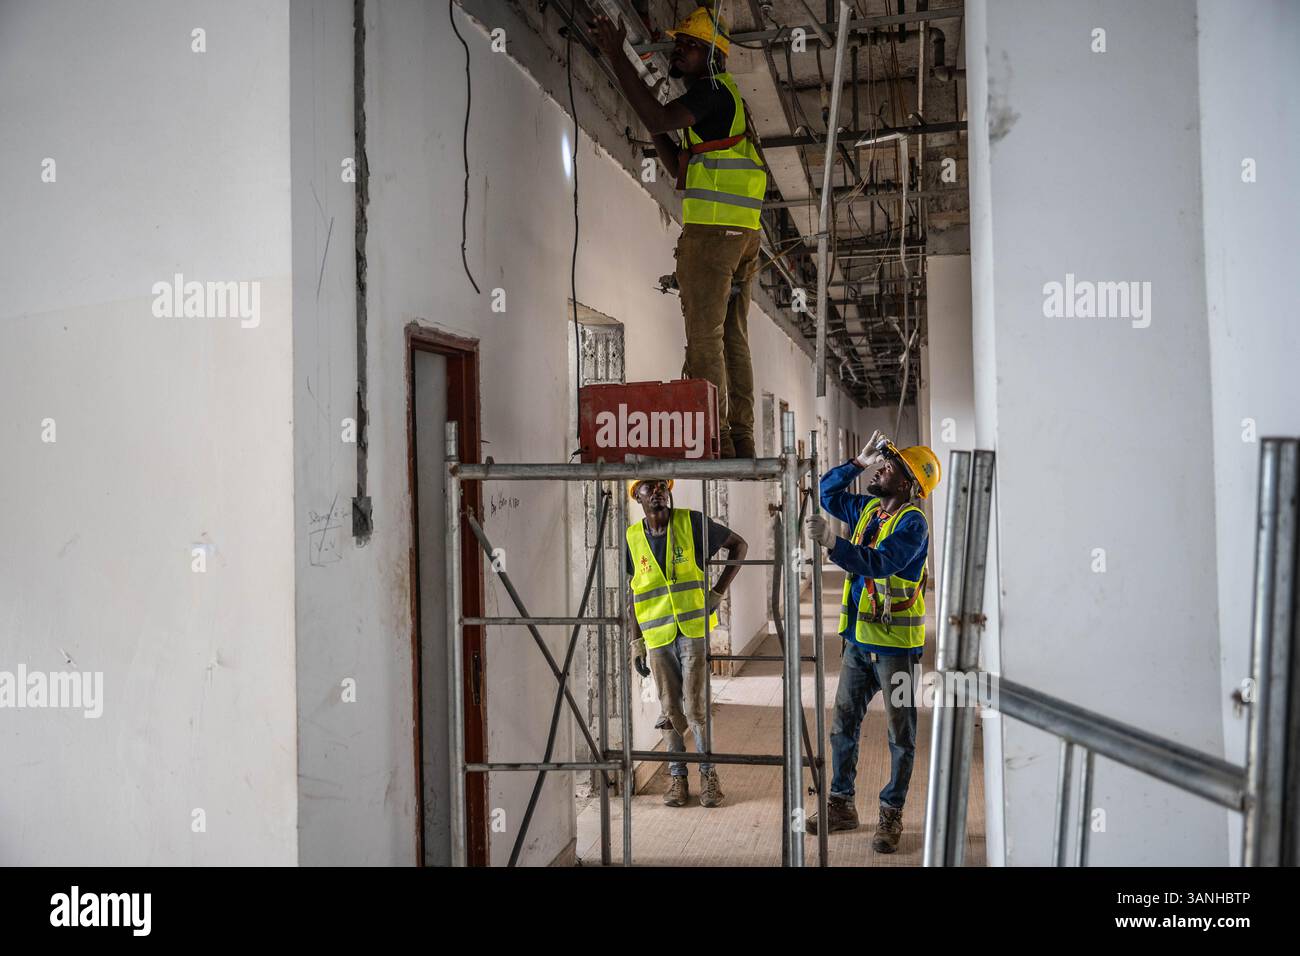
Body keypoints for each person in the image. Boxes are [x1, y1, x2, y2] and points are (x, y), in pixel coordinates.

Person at [589, 7, 767, 458]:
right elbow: (676, 168)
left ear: (713, 56)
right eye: (679, 43)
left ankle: (718, 439)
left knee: (706, 336)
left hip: (713, 233)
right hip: (741, 234)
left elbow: (657, 116)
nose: (678, 50)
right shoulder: (721, 104)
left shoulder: (710, 91)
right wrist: (655, 126)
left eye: (690, 44)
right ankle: (740, 437)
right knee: (731, 336)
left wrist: (615, 54)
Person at [803, 432, 941, 853]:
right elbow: (827, 492)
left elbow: (879, 564)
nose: (882, 468)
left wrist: (832, 543)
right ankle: (841, 804)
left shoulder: (913, 524)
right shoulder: (866, 510)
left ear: (908, 485)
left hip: (897, 650)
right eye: (881, 464)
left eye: (889, 466)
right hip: (860, 645)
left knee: (901, 735)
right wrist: (855, 464)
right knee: (843, 726)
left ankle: (891, 813)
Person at [625, 477, 747, 806]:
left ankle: (709, 777)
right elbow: (634, 592)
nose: (658, 494)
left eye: (662, 488)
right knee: (668, 708)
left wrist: (718, 592)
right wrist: (635, 641)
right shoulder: (633, 538)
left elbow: (740, 546)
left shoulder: (692, 523)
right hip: (656, 635)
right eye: (649, 489)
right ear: (638, 497)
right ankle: (677, 779)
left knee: (695, 707)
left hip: (692, 629)